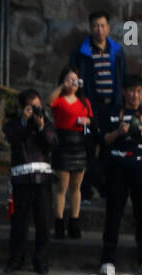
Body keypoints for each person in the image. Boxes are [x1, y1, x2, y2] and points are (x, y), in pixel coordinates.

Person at [99, 75, 142, 275]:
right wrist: (119, 132)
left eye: (139, 92)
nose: (135, 95)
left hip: (141, 168)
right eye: (132, 91)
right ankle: (107, 260)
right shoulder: (112, 112)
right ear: (124, 92)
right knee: (113, 213)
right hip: (117, 167)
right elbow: (103, 140)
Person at [69, 11, 126, 202]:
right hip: (90, 107)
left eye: (102, 26)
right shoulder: (82, 52)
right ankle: (85, 191)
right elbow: (74, 78)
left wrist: (122, 105)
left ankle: (103, 186)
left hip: (111, 105)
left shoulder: (116, 51)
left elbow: (123, 79)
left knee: (109, 147)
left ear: (108, 28)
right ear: (90, 28)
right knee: (88, 146)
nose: (99, 30)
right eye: (95, 26)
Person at [4, 90, 57, 275]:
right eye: (31, 107)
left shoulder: (47, 123)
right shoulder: (13, 124)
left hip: (42, 179)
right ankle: (16, 260)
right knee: (19, 224)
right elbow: (14, 139)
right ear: (23, 108)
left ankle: (40, 261)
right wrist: (25, 122)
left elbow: (51, 144)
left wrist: (41, 126)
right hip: (22, 179)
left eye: (37, 106)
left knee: (43, 223)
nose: (35, 110)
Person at [48, 65, 95, 241]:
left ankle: (74, 221)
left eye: (75, 80)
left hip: (79, 145)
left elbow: (90, 119)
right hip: (63, 144)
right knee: (61, 186)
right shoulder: (59, 100)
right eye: (70, 80)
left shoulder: (84, 101)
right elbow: (49, 102)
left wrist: (87, 121)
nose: (73, 83)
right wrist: (62, 86)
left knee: (76, 187)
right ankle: (59, 222)